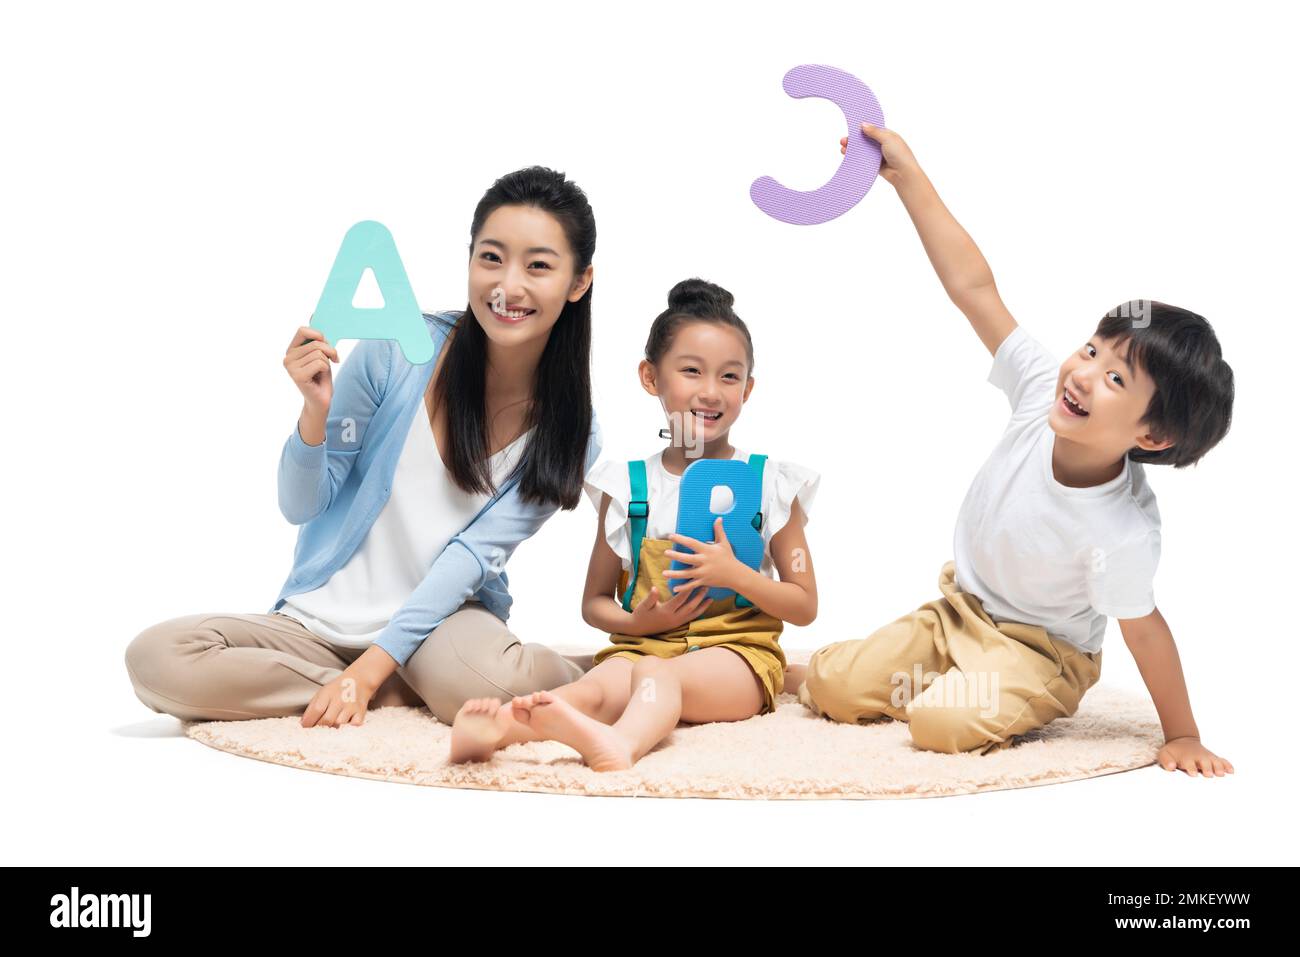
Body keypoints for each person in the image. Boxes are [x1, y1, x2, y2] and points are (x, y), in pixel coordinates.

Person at [793, 124, 1235, 776]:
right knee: (830, 686)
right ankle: (874, 675)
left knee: (940, 723)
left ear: (1152, 436)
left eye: (1116, 378)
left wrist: (1184, 733)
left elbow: (1145, 628)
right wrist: (908, 176)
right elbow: (973, 287)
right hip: (957, 613)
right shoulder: (1038, 391)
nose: (1083, 373)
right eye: (1091, 349)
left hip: (1040, 653)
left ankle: (972, 697)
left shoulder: (1121, 532)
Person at [125, 166, 602, 729]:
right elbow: (301, 506)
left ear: (578, 282)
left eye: (538, 266)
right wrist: (314, 416)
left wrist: (372, 666)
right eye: (491, 258)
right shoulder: (396, 354)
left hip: (443, 625)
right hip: (320, 626)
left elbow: (471, 559)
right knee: (157, 658)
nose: (507, 286)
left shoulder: (574, 430)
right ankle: (400, 692)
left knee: (480, 684)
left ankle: (592, 674)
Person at [449, 278, 820, 771]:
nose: (711, 392)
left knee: (657, 677)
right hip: (644, 645)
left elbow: (804, 605)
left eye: (730, 377)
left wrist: (736, 575)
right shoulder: (629, 488)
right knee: (592, 689)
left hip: (736, 658)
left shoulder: (770, 483)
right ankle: (497, 732)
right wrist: (637, 623)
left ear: (748, 389)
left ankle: (619, 745)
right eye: (691, 371)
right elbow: (595, 603)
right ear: (651, 377)